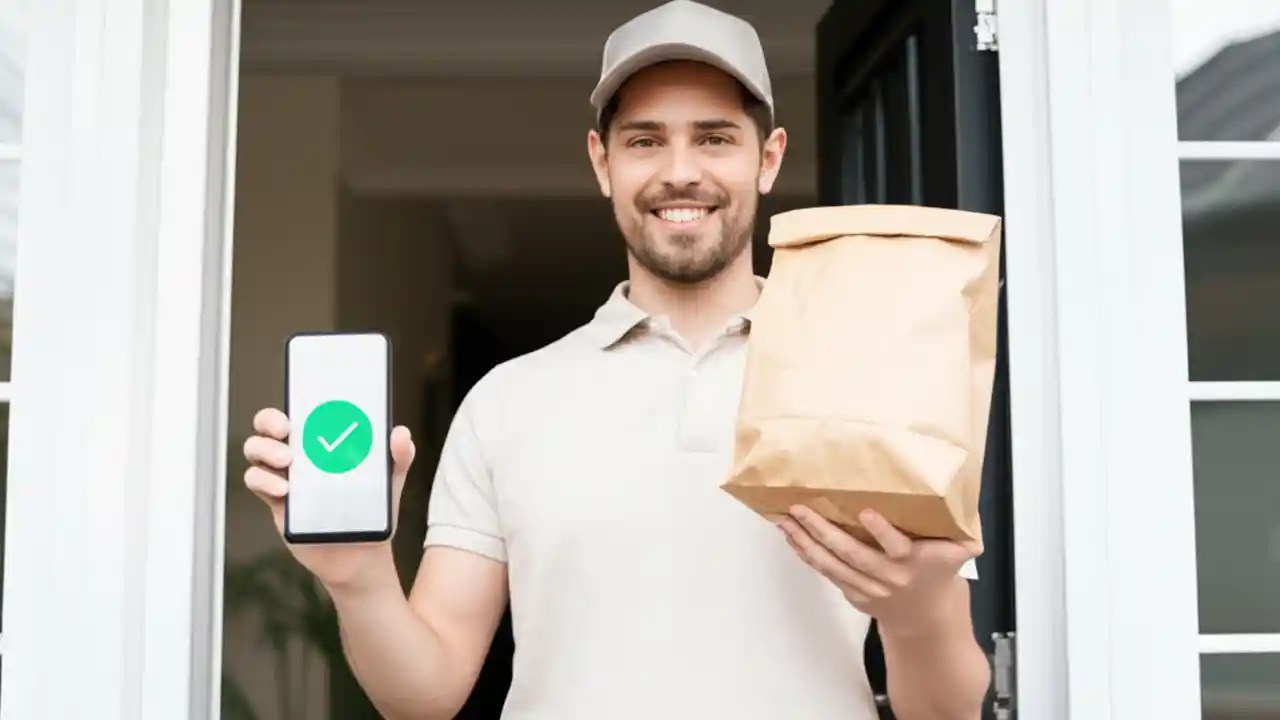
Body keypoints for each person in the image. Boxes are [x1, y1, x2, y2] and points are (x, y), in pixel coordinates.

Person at [242, 1, 991, 717]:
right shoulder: (509, 400)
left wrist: (918, 610)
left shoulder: (867, 380)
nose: (680, 172)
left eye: (714, 137)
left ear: (768, 158)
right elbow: (425, 694)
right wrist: (360, 578)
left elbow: (946, 710)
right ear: (602, 162)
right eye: (644, 140)